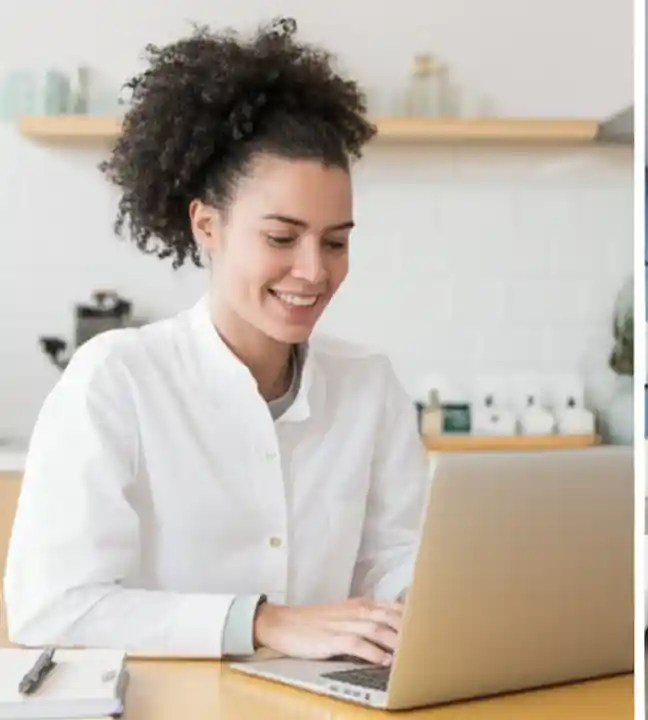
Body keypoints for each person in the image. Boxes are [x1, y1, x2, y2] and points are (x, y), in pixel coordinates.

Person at [4, 18, 428, 666]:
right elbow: (50, 606)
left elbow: (397, 568)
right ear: (207, 225)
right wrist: (262, 623)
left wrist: (437, 608)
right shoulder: (116, 379)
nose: (314, 271)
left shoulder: (369, 386)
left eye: (336, 241)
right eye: (282, 238)